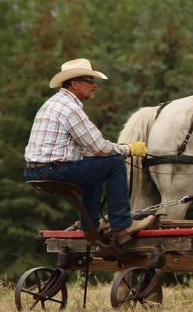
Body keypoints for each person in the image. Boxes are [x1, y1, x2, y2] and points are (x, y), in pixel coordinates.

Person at [24, 58, 154, 239]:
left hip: (35, 171)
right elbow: (99, 147)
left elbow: (90, 150)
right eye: (89, 81)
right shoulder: (71, 109)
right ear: (75, 84)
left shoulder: (52, 103)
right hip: (53, 170)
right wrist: (129, 149)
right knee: (114, 163)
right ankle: (122, 225)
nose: (94, 85)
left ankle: (90, 228)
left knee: (95, 166)